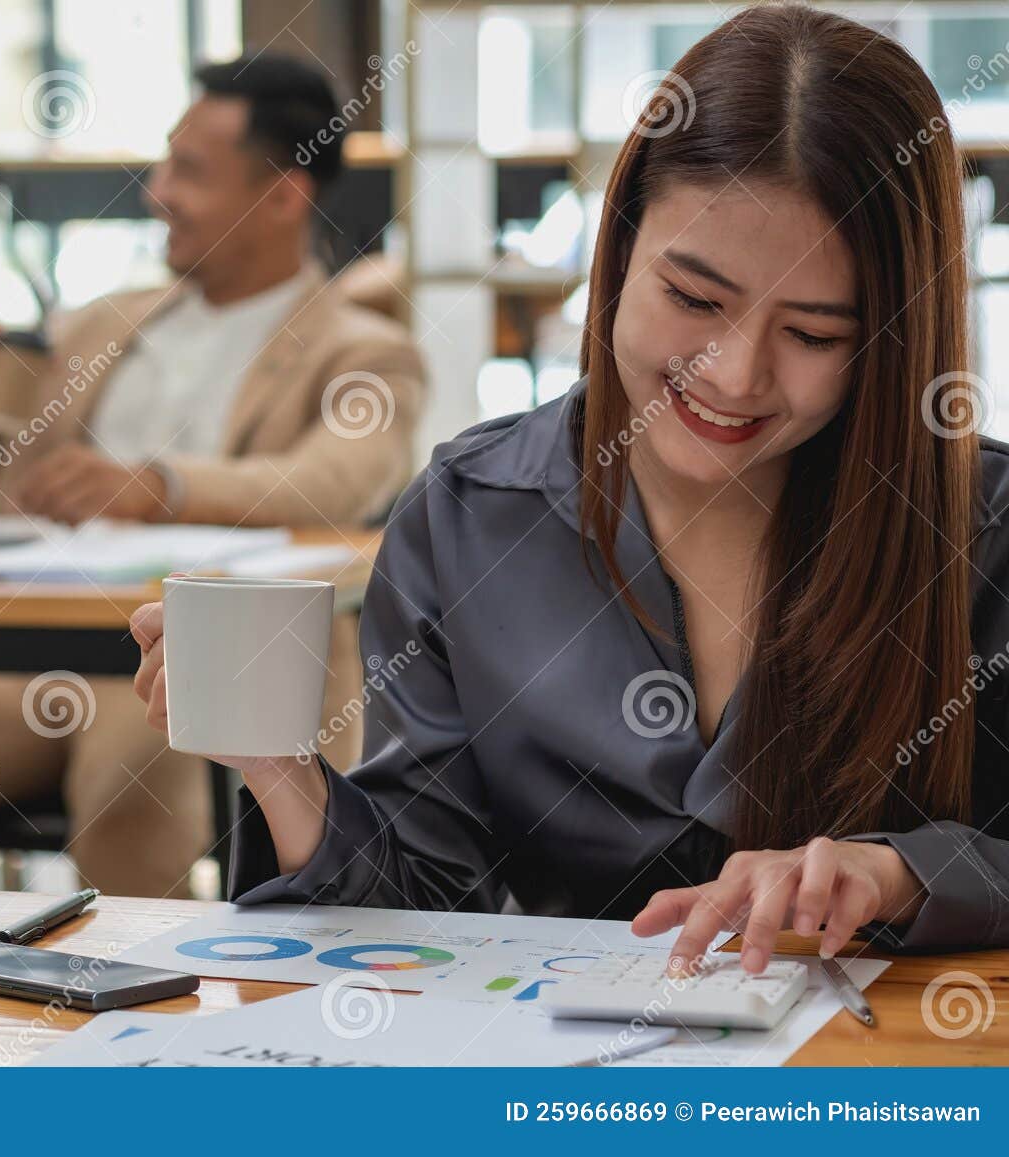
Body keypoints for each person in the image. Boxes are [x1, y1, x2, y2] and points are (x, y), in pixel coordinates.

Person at [132, 4, 1009, 969]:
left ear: (893, 334)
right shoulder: (471, 513)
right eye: (692, 299)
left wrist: (901, 874)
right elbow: (419, 904)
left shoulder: (985, 529)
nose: (734, 373)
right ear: (619, 252)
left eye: (814, 334)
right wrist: (277, 765)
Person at [0, 55, 425, 897]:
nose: (156, 190)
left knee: (129, 826)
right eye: (165, 163)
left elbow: (331, 485)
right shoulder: (103, 322)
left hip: (187, 663)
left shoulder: (365, 350)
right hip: (29, 649)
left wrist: (156, 486)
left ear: (283, 195)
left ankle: (156, 1032)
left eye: (190, 172)